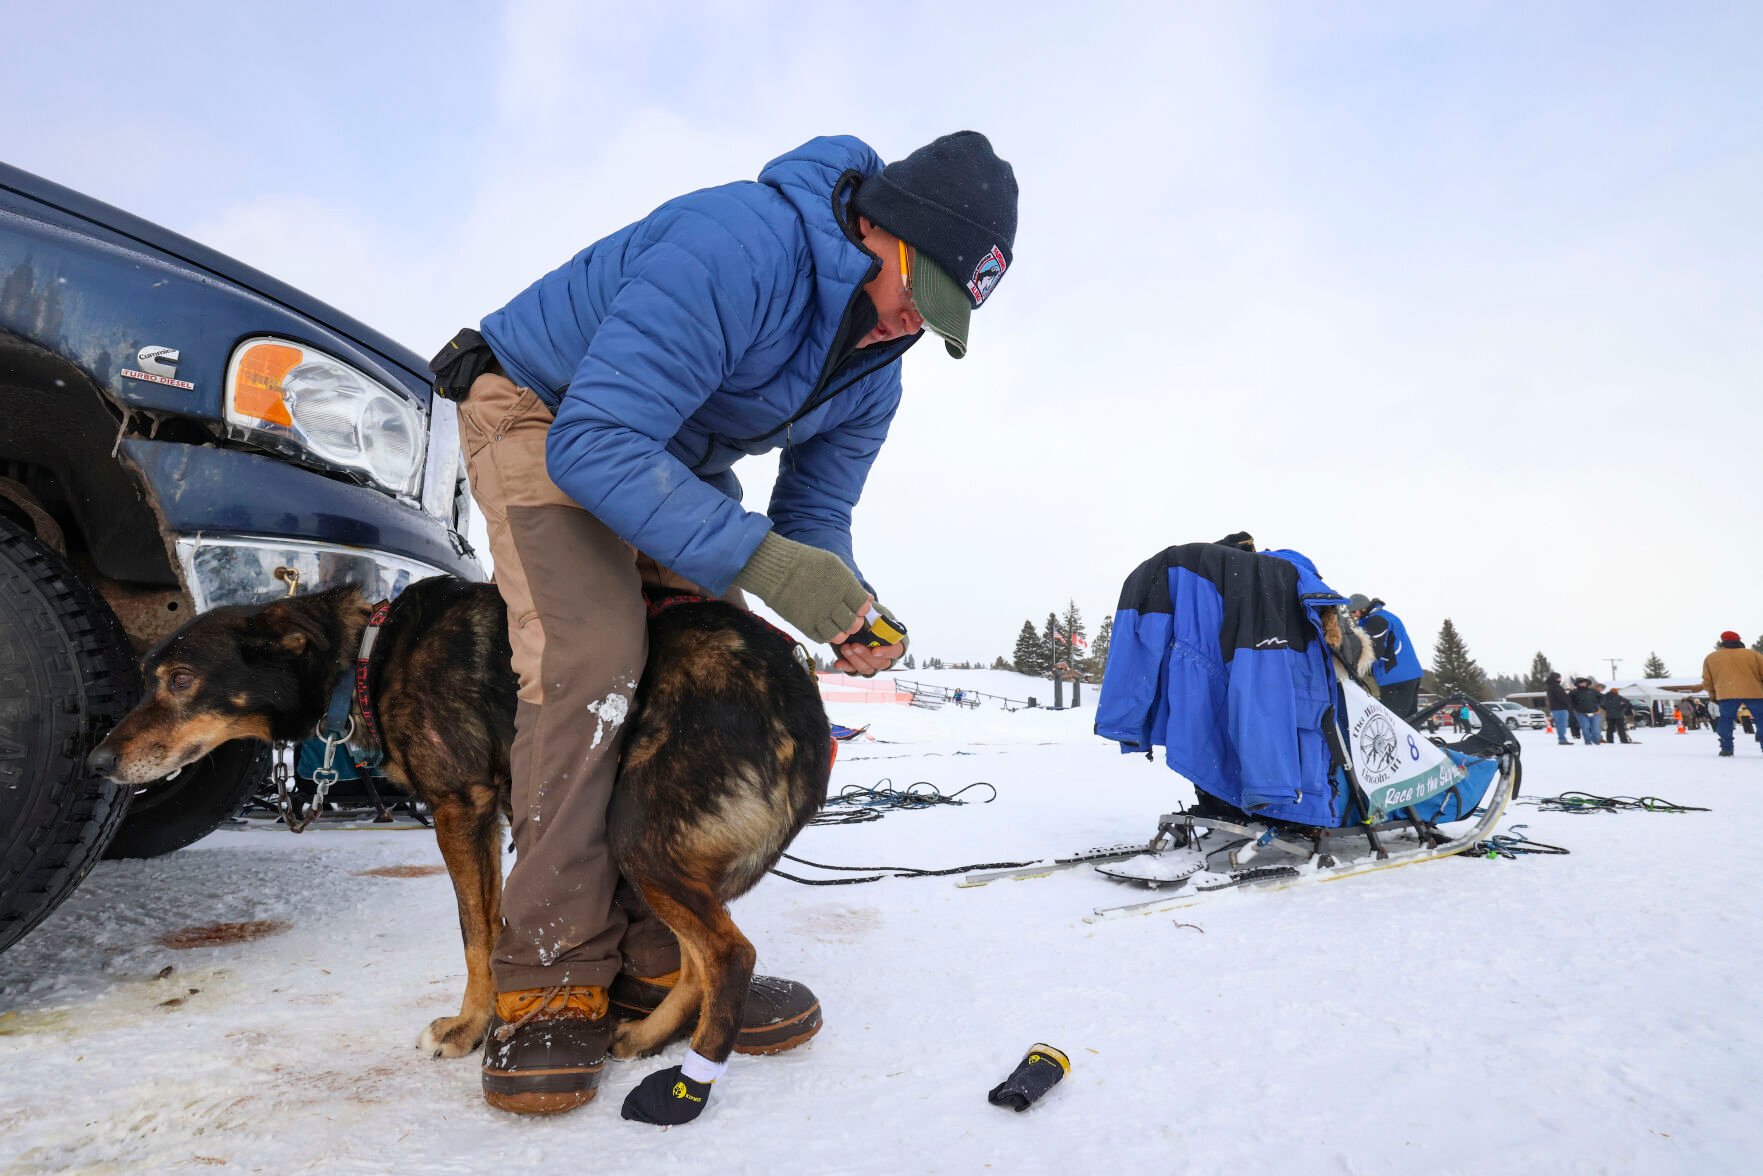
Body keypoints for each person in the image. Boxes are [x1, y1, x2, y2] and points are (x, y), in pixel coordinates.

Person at [431, 132, 1018, 1115]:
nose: (917, 322)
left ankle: (660, 955)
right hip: (544, 414)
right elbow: (596, 444)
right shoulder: (738, 246)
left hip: (658, 454)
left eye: (945, 315)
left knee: (715, 664)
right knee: (595, 657)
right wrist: (772, 565)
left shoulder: (876, 367)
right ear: (879, 227)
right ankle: (551, 974)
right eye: (920, 289)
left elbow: (812, 520)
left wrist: (847, 604)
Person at [1347, 595, 1424, 719]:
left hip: (1395, 677)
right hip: (1408, 674)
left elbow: (1373, 650)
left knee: (1394, 723)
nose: (1354, 615)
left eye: (1354, 611)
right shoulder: (1385, 616)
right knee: (1409, 722)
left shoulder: (1377, 620)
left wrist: (1351, 665)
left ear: (1362, 608)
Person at [1701, 631, 1763, 757]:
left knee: (1726, 719)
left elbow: (1708, 681)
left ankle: (1726, 747)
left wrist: (1714, 696)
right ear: (1739, 640)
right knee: (1761, 718)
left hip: (1726, 693)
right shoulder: (1754, 655)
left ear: (1722, 642)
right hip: (1754, 692)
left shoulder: (1711, 658)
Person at [1569, 677, 1604, 746]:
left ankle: (1597, 741)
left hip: (1595, 713)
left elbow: (1602, 697)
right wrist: (1574, 709)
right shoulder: (1574, 692)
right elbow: (1569, 702)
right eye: (1581, 682)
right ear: (1577, 684)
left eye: (1585, 682)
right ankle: (1588, 742)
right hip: (1582, 714)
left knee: (1596, 730)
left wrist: (1600, 707)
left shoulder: (1593, 691)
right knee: (1585, 729)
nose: (1583, 683)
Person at [1545, 671, 1572, 745]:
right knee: (1562, 724)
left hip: (1556, 708)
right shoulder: (1555, 686)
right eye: (1559, 677)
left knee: (1561, 724)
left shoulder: (1551, 686)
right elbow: (1562, 697)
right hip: (1560, 708)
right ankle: (1562, 739)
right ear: (1556, 678)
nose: (1561, 679)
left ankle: (1562, 739)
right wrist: (1569, 702)